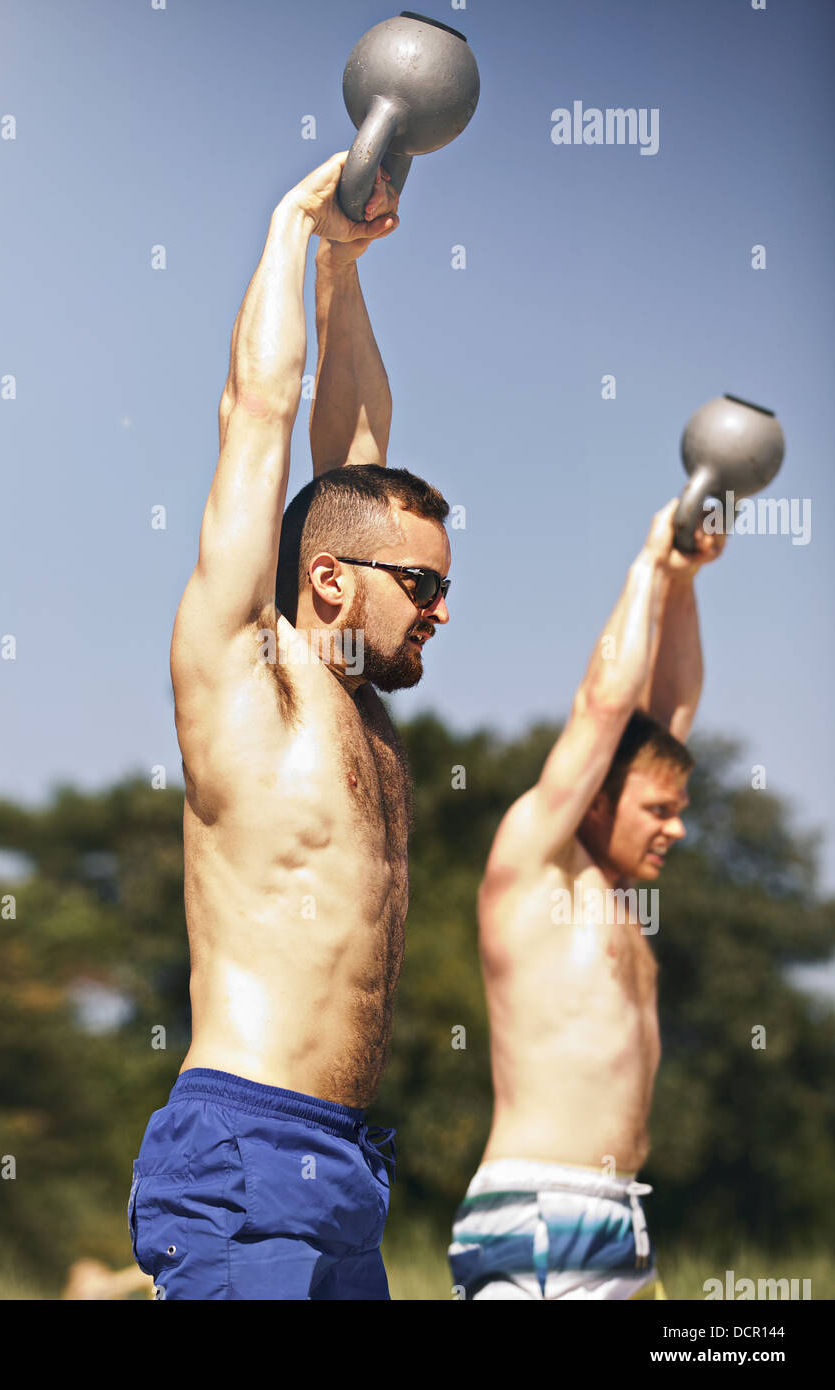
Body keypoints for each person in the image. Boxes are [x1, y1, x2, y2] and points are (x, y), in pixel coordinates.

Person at [129, 152, 452, 1299]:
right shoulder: (239, 678)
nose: (442, 609)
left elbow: (355, 465)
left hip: (348, 1170)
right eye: (419, 586)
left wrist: (345, 267)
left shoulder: (356, 706)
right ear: (327, 580)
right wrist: (288, 224)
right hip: (240, 1156)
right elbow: (257, 416)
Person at [449, 501, 724, 1299]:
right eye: (659, 811)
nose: (677, 828)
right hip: (538, 1214)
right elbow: (605, 709)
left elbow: (666, 719)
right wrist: (646, 560)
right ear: (598, 801)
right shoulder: (536, 863)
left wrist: (683, 578)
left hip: (621, 1222)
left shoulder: (612, 892)